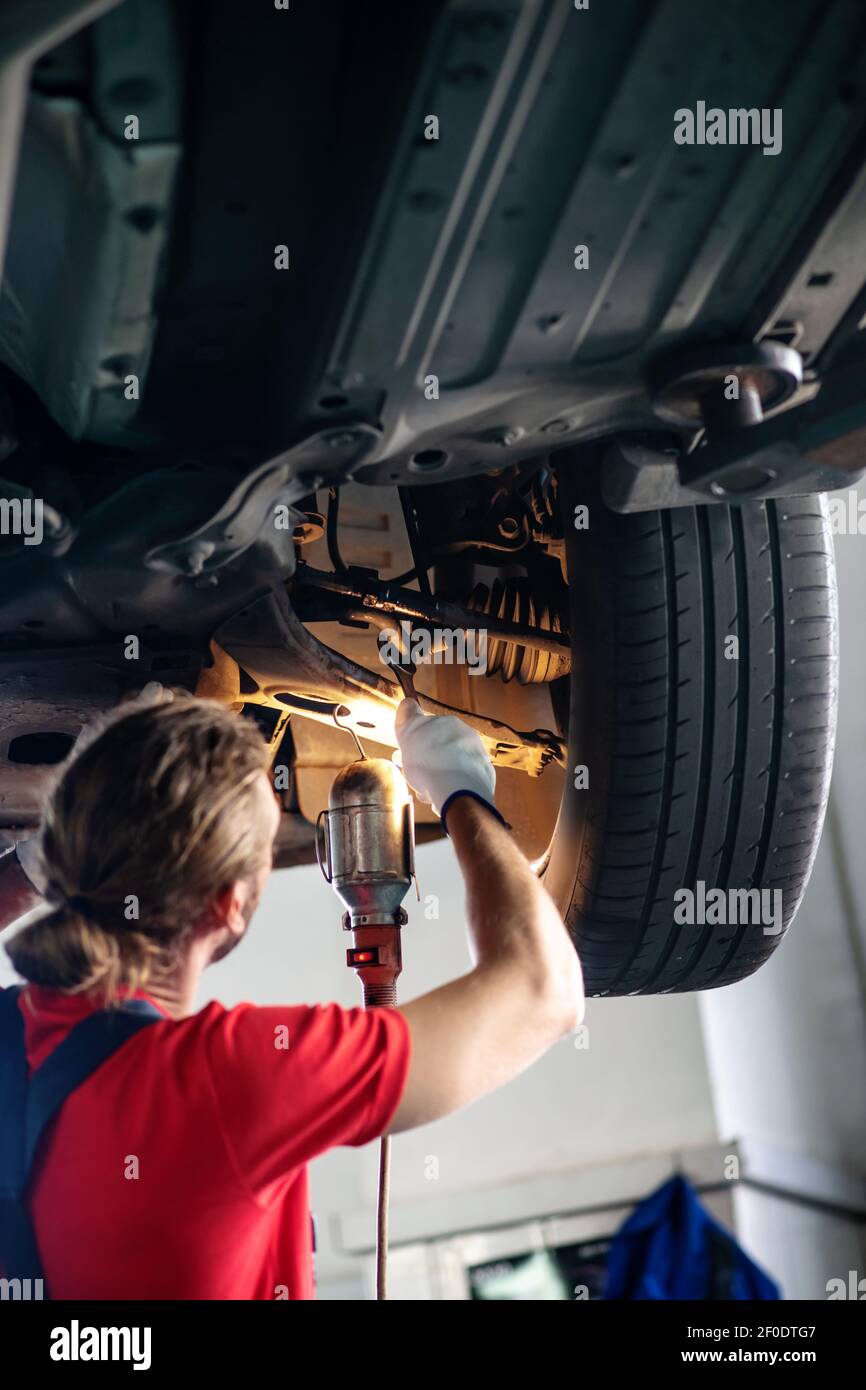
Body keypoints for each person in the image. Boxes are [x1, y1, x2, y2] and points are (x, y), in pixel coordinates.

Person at [0, 691, 583, 1299]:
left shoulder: (11, 1039)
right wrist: (463, 793)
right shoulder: (224, 1078)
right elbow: (546, 990)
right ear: (228, 906)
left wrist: (45, 862)